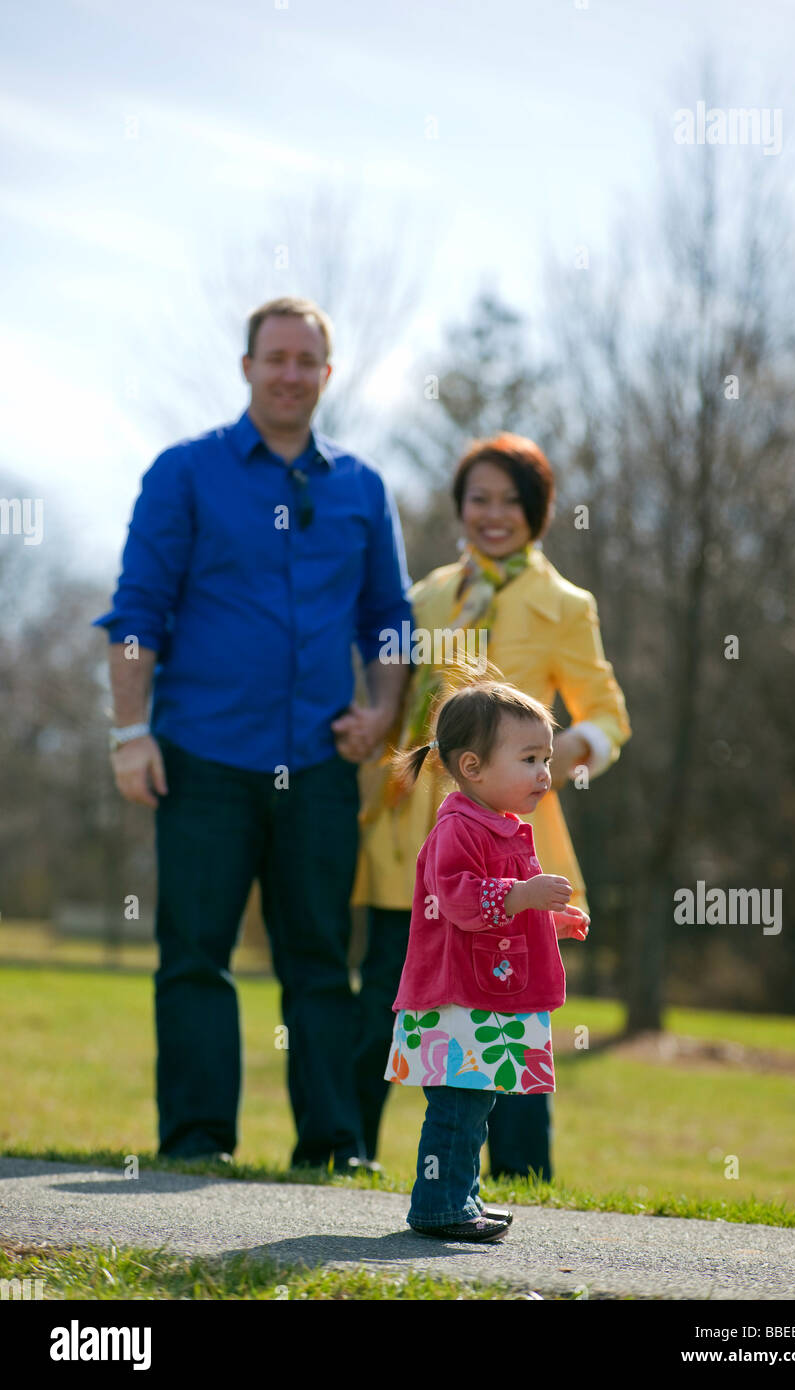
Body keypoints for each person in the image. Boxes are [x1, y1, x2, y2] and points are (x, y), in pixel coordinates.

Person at [92, 296, 413, 1169]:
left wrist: (382, 710)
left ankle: (333, 1146)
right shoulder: (184, 472)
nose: (290, 374)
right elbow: (137, 614)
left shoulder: (361, 486)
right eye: (275, 358)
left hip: (316, 763)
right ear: (246, 368)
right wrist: (130, 731)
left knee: (317, 958)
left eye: (307, 361)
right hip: (201, 758)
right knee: (195, 954)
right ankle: (198, 1142)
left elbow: (390, 617)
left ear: (327, 375)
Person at [352, 433, 631, 1178]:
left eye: (512, 500)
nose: (494, 514)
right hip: (418, 828)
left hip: (512, 839)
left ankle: (517, 1173)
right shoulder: (427, 596)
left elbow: (607, 712)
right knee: (390, 985)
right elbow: (400, 698)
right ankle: (349, 1154)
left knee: (513, 998)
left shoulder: (566, 606)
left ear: (538, 511)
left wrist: (547, 767)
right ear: (460, 508)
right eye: (479, 498)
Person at [385, 678, 590, 1241]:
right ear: (472, 767)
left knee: (477, 1103)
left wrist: (546, 919)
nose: (544, 773)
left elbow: (502, 913)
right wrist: (523, 896)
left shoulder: (502, 829)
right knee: (457, 1108)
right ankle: (439, 1207)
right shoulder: (457, 830)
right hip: (456, 999)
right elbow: (460, 899)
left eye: (546, 758)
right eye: (528, 759)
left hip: (484, 996)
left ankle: (459, 1198)